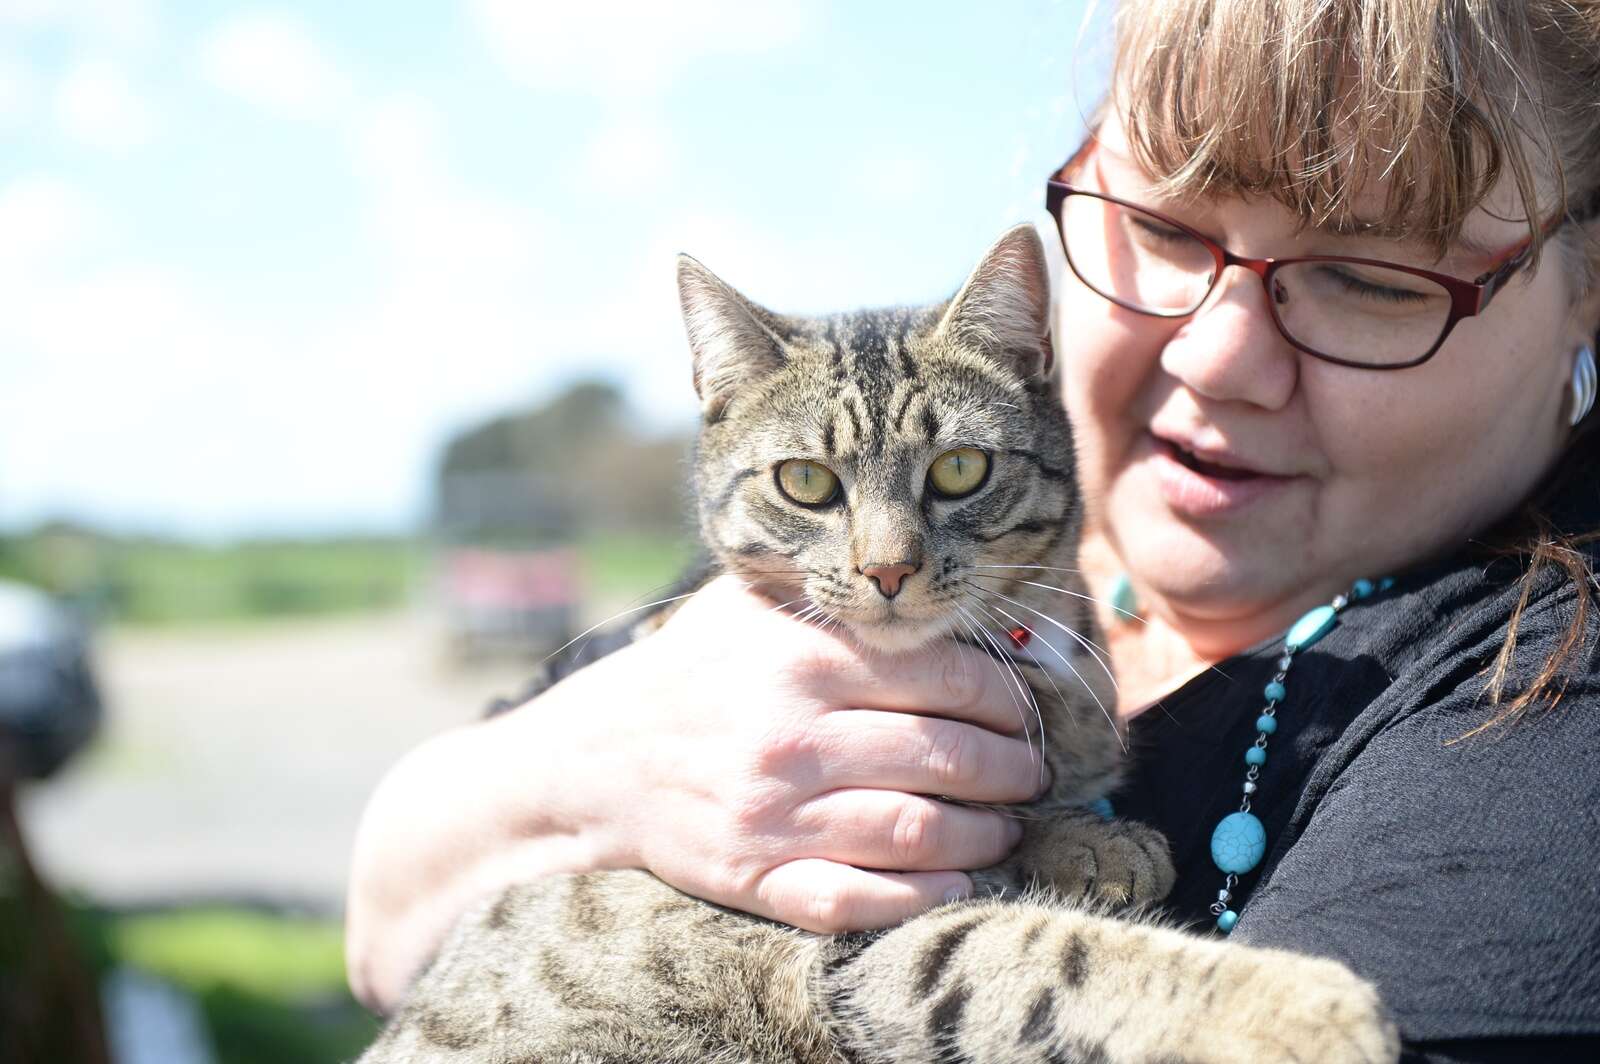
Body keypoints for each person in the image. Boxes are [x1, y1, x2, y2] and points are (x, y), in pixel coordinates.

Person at [345, 1, 1600, 1058]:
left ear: (1584, 287)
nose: (1220, 358)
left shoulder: (1542, 716)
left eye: (1371, 278)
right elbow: (379, 916)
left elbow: (856, 981)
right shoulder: (762, 612)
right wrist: (579, 774)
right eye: (1163, 228)